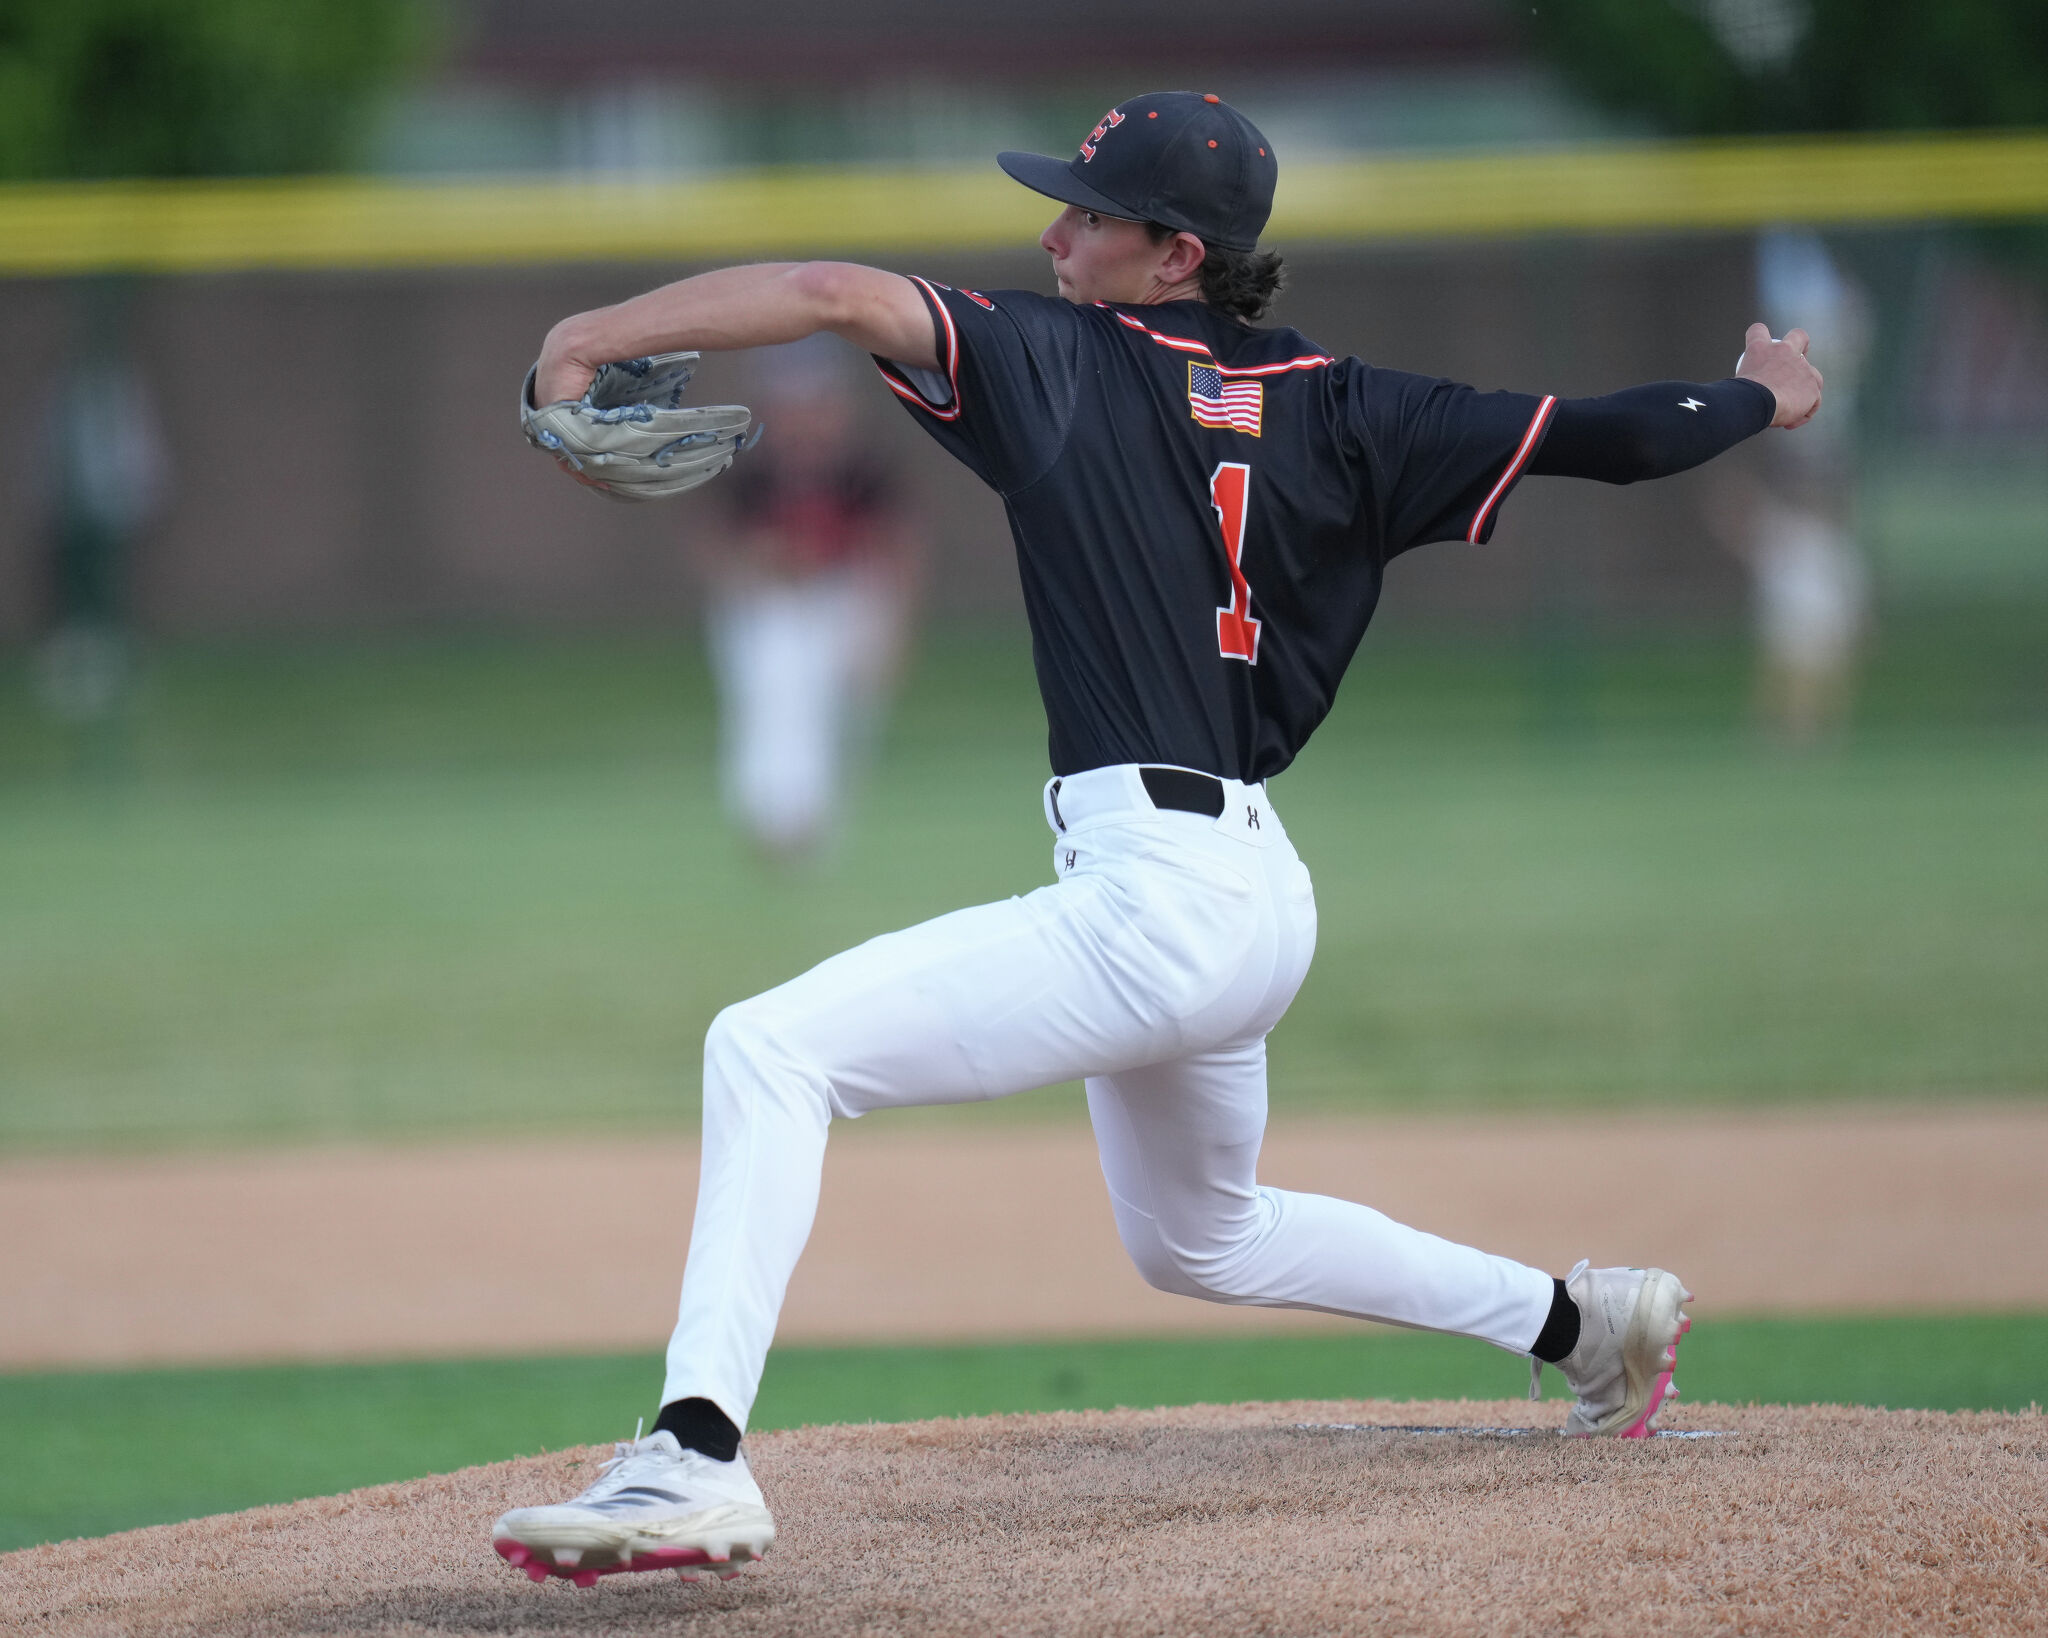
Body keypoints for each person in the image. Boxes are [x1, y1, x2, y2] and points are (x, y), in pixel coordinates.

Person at [493, 91, 1823, 1588]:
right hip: (1258, 894)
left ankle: (693, 1455)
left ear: (1175, 253)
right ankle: (1586, 1321)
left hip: (1155, 902)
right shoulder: (1352, 400)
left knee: (766, 1048)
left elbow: (825, 295)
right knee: (1201, 1234)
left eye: (1087, 213)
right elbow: (1621, 436)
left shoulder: (1059, 360)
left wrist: (587, 333)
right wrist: (1764, 394)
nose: (1054, 231)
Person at [700, 338, 922, 860]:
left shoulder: (860, 466)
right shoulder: (751, 464)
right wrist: (759, 565)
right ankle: (776, 823)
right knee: (773, 702)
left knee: (844, 712)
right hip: (770, 604)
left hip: (844, 594)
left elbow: (895, 544)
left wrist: (892, 623)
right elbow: (719, 545)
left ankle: (814, 826)